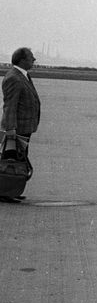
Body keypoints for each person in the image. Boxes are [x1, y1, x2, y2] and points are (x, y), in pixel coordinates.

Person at [2, 47, 41, 203]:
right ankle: (5, 191)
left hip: (23, 128)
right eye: (31, 57)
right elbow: (10, 106)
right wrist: (10, 129)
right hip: (17, 129)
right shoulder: (14, 78)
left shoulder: (22, 76)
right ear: (22, 60)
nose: (34, 59)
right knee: (10, 162)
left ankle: (12, 189)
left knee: (17, 161)